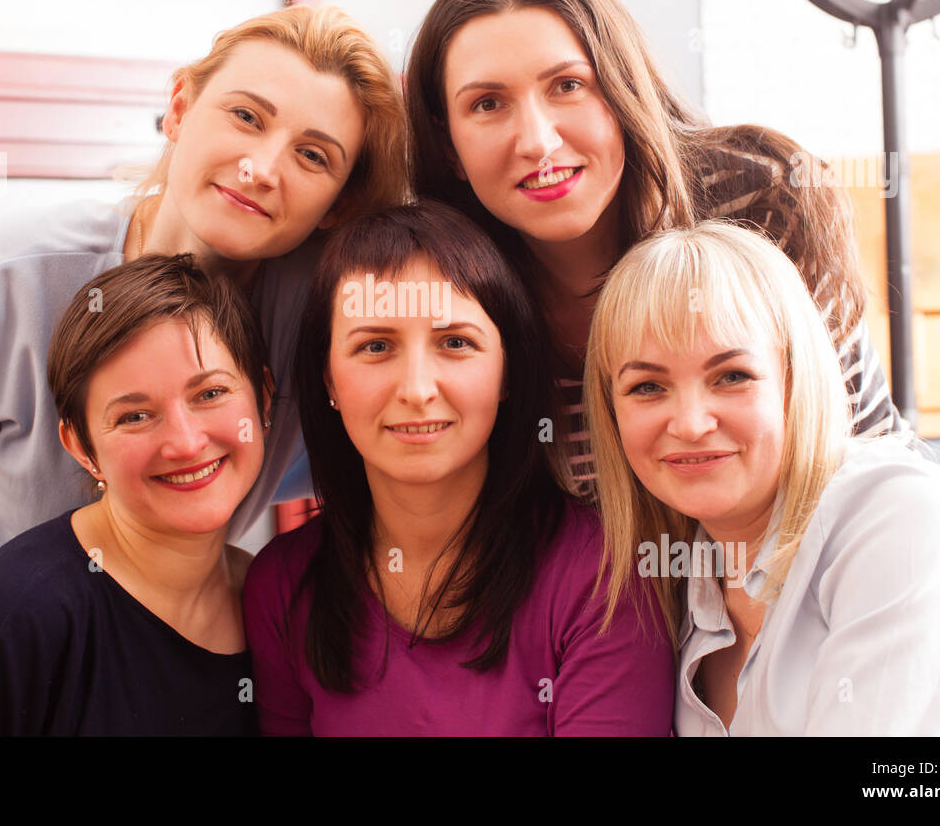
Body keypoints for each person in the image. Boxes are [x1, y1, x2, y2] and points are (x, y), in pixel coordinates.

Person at [0, 5, 407, 736]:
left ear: (338, 201)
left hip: (46, 659)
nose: (263, 166)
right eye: (247, 116)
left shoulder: (323, 324)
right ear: (181, 107)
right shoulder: (16, 272)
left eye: (314, 156)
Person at [405, 0, 908, 498]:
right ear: (449, 145)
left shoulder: (762, 205)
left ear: (621, 90)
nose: (538, 142)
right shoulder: (443, 293)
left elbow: (867, 460)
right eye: (487, 104)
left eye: (568, 86)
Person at [582, 220, 940, 735]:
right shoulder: (688, 579)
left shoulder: (898, 518)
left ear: (794, 380)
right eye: (647, 387)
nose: (690, 424)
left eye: (732, 376)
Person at [242, 201, 673, 736]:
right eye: (375, 346)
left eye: (455, 343)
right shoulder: (280, 587)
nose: (418, 390)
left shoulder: (605, 577)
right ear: (327, 381)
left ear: (507, 370)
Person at [0, 256, 266, 735]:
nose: (185, 442)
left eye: (210, 394)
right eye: (134, 416)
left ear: (262, 398)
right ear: (83, 447)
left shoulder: (274, 601)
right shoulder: (13, 616)